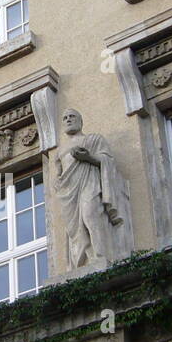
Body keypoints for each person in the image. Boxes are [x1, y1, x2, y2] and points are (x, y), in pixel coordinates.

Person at [55, 109, 123, 270]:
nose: (68, 119)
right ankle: (84, 260)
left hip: (89, 184)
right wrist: (58, 184)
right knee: (76, 229)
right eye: (65, 118)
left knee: (90, 215)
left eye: (72, 116)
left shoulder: (93, 140)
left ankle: (101, 256)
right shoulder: (60, 151)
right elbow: (59, 175)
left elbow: (107, 160)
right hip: (69, 192)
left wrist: (88, 157)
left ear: (80, 121)